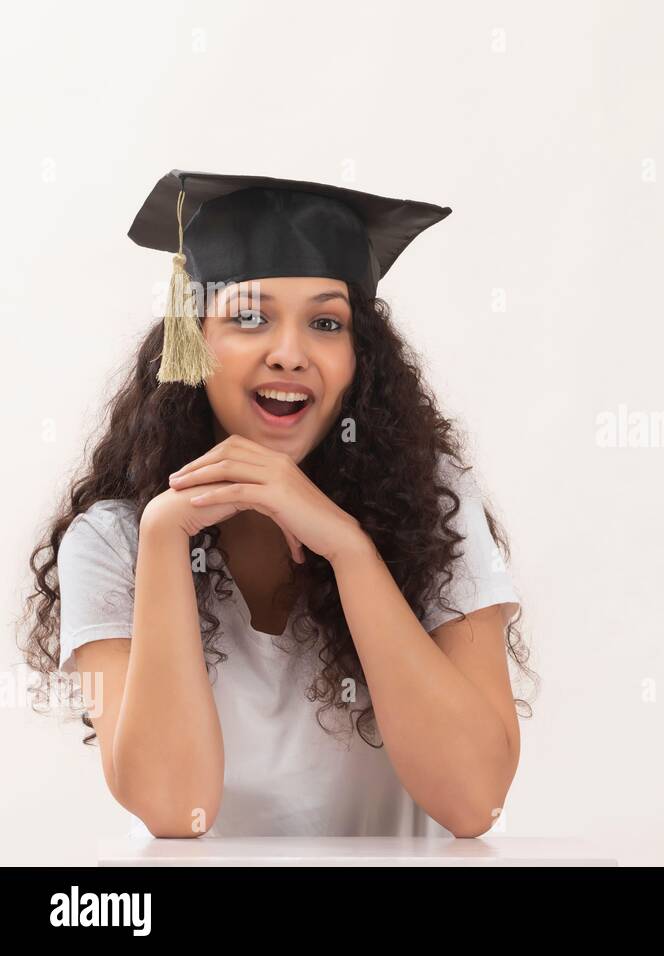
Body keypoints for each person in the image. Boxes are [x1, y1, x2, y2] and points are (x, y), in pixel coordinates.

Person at [18, 170, 535, 840]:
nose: (289, 354)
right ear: (192, 341)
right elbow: (175, 810)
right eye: (249, 318)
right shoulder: (114, 540)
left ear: (360, 357)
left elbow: (475, 802)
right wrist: (166, 539)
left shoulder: (429, 505)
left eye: (326, 323)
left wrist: (349, 549)